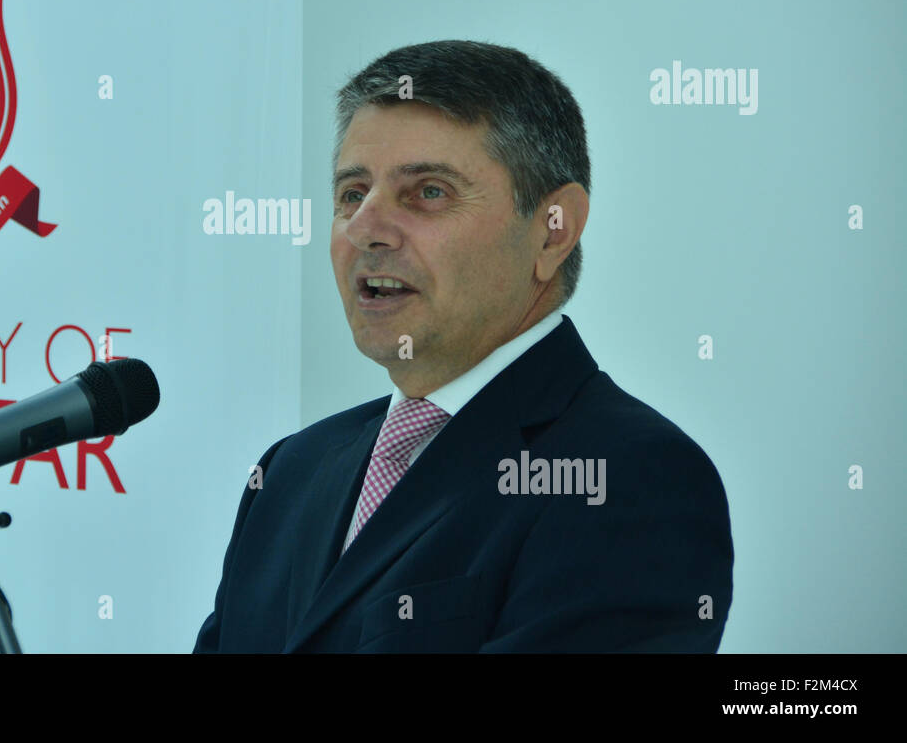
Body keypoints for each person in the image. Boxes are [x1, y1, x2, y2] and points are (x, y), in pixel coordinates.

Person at [193, 39, 733, 652]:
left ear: (554, 230)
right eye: (351, 194)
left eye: (428, 192)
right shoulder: (292, 470)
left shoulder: (628, 476)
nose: (365, 228)